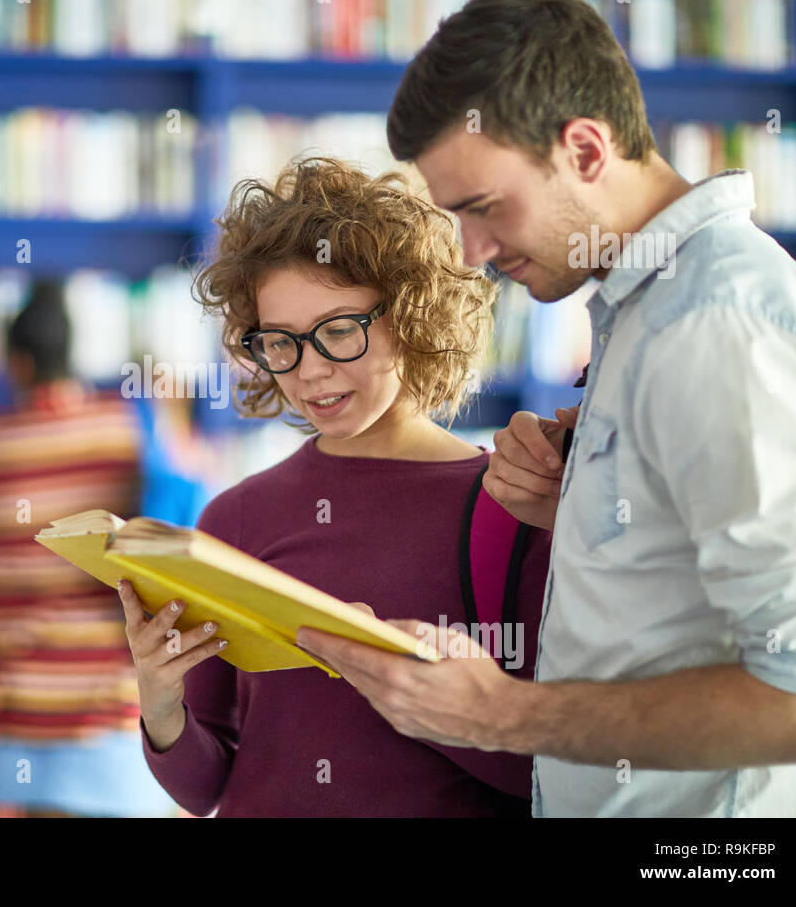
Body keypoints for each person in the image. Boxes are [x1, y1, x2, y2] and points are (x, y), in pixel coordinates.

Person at [298, 0, 796, 817]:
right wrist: (589, 510)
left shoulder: (716, 323)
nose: (469, 254)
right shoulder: (640, 308)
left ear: (585, 150)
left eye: (482, 208)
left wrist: (502, 715)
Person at [125, 155, 553, 816]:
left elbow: (547, 774)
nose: (311, 372)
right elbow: (205, 788)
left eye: (338, 332)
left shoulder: (511, 505)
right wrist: (161, 705)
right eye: (281, 342)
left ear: (412, 314)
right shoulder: (236, 517)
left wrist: (426, 696)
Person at [0, 280, 177, 816]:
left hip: (8, 712)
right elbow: (181, 508)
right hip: (108, 706)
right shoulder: (124, 430)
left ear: (14, 364)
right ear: (72, 354)